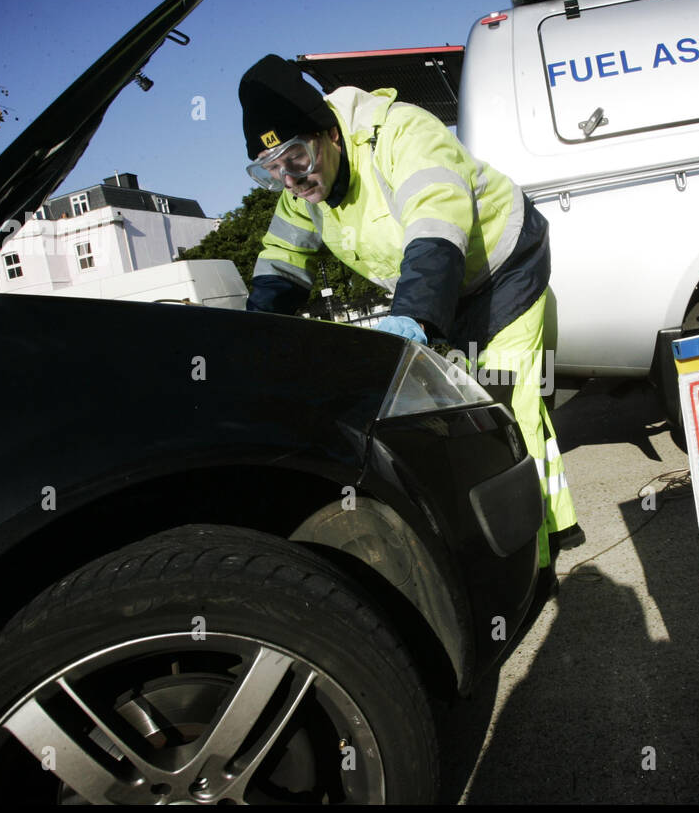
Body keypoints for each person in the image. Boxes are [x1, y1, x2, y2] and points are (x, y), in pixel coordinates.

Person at [237, 54, 581, 569]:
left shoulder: (402, 135)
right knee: (474, 414)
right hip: (448, 290)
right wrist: (255, 338)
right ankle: (556, 521)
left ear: (331, 134)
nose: (289, 180)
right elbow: (283, 262)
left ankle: (531, 561)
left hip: (505, 268)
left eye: (296, 158)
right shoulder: (302, 193)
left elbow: (436, 223)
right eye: (272, 169)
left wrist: (413, 314)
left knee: (505, 406)